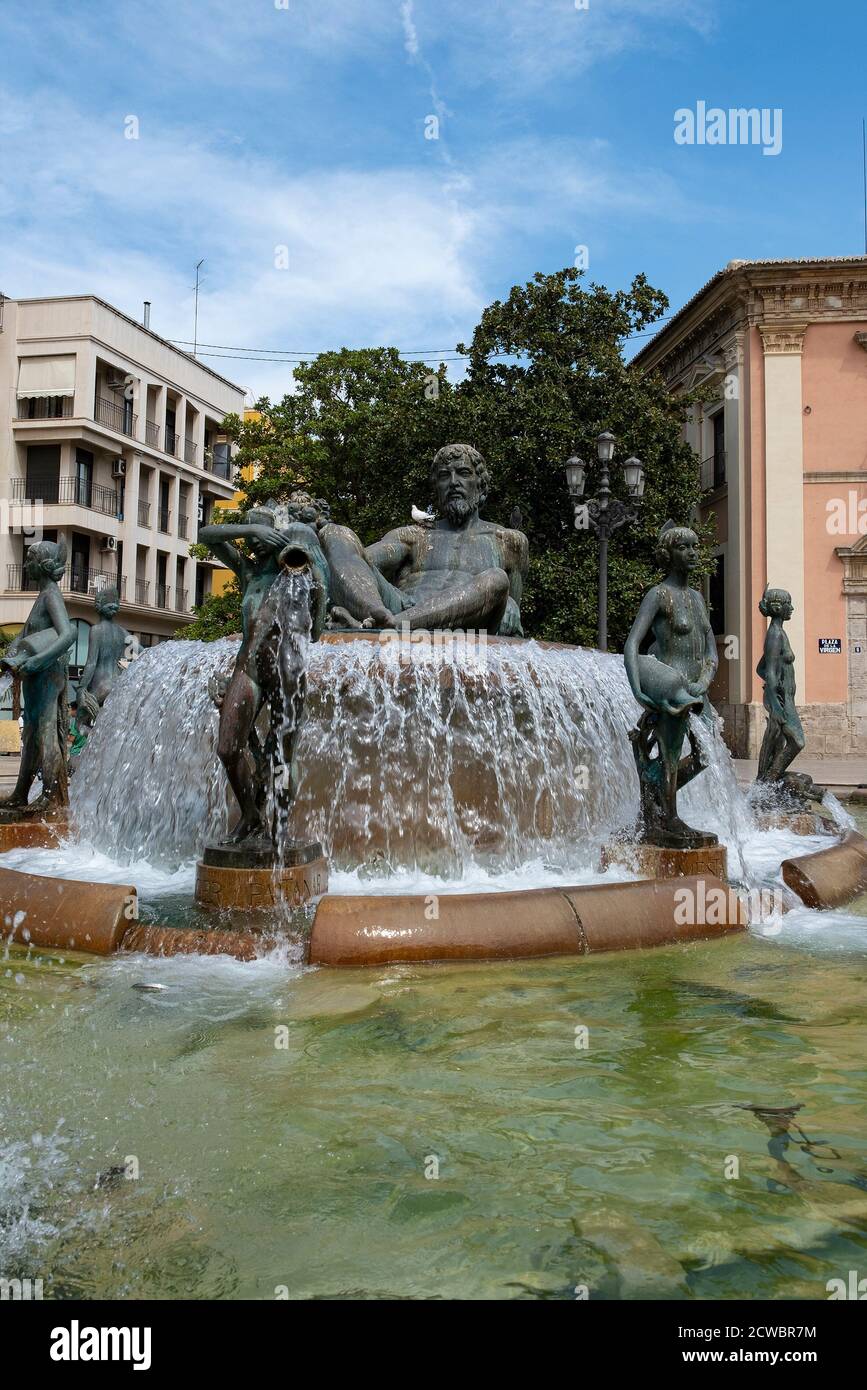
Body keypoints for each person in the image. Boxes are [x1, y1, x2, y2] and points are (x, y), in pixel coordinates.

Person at [198, 506, 328, 844]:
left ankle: (280, 826)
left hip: (288, 673)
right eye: (251, 535)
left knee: (283, 758)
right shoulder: (248, 572)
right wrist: (250, 530)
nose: (255, 543)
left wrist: (313, 575)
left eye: (262, 534)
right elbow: (204, 535)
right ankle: (251, 816)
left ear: (276, 535)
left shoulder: (295, 577)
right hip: (249, 667)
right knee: (228, 749)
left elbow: (316, 632)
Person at [0, 540, 75, 815]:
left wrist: (37, 661)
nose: (26, 565)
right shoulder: (43, 595)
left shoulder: (51, 595)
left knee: (45, 731)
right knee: (32, 734)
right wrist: (12, 654)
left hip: (46, 673)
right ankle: (21, 793)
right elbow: (27, 633)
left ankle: (50, 796)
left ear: (42, 565)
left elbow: (68, 634)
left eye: (30, 560)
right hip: (37, 674)